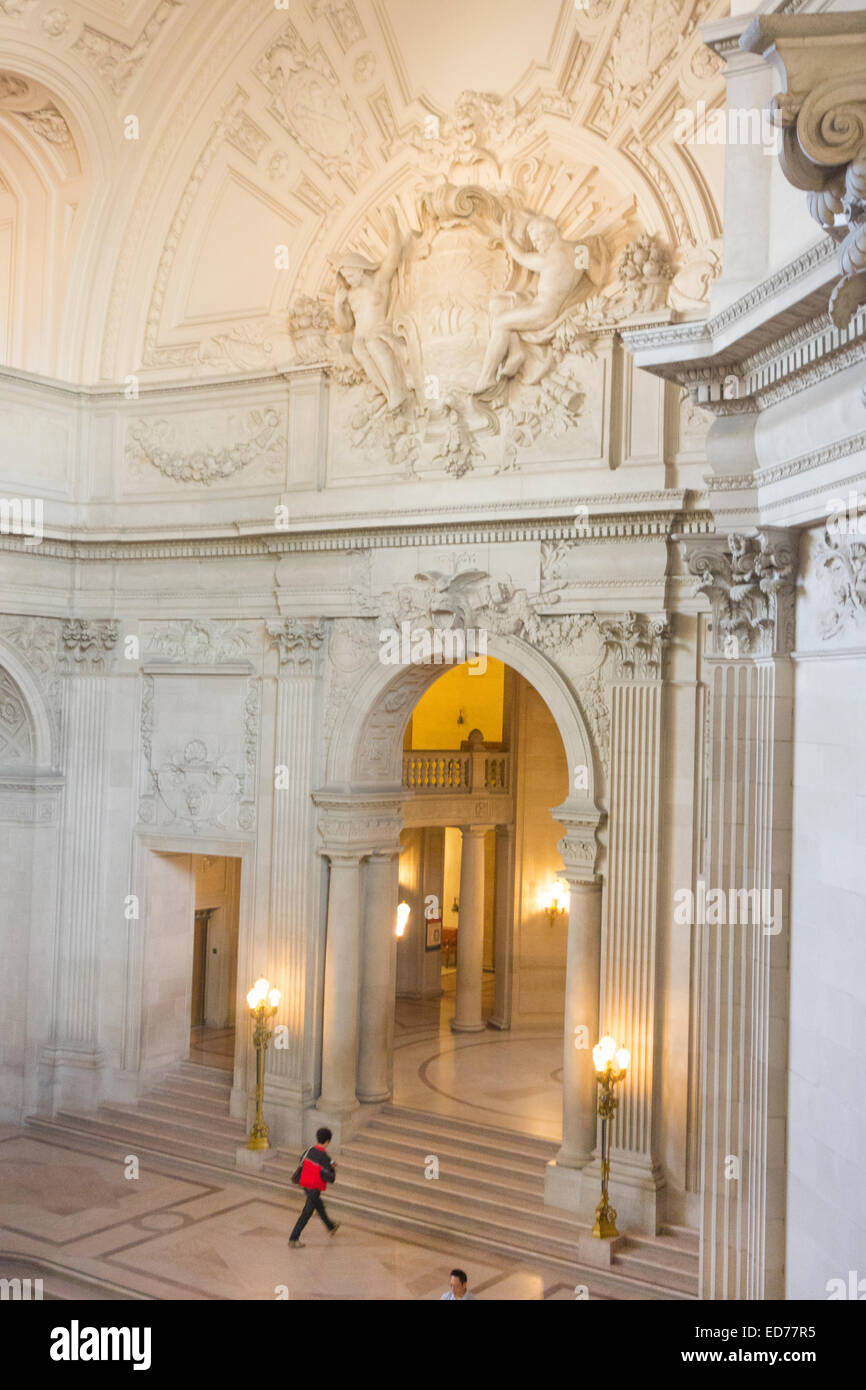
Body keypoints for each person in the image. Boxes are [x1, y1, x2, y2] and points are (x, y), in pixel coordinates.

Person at [288, 1127, 340, 1247]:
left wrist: (328, 1164)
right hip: (314, 1187)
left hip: (305, 1184)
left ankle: (331, 1226)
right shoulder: (324, 1157)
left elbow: (302, 1160)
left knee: (319, 1205)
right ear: (328, 1141)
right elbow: (330, 1177)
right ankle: (293, 1239)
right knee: (307, 1212)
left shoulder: (309, 1150)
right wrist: (332, 1168)